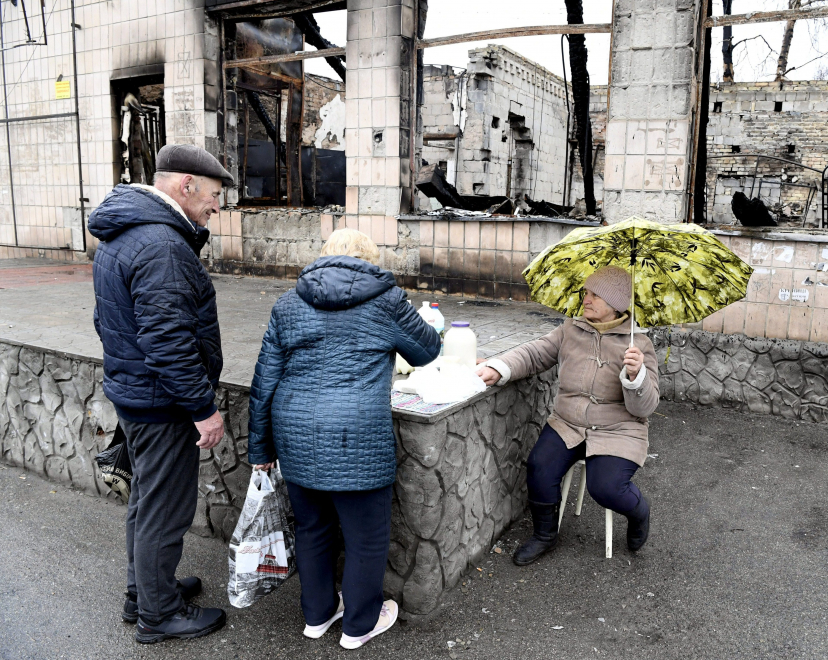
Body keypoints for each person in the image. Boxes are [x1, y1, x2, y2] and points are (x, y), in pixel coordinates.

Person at [248, 229, 441, 650]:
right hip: (355, 436)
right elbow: (427, 351)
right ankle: (358, 626)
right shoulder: (387, 300)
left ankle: (317, 617)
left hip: (294, 432)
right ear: (371, 263)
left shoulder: (288, 303)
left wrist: (260, 449)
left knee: (313, 529)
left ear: (323, 258)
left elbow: (265, 380)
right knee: (366, 539)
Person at [88, 144, 233, 644]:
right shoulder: (162, 246)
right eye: (214, 195)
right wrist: (202, 409)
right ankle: (159, 614)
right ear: (185, 185)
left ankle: (143, 591)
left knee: (146, 502)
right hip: (162, 403)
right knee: (164, 511)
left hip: (136, 393)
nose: (217, 206)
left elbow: (106, 317)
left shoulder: (124, 232)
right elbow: (169, 341)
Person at [476, 265, 660, 565]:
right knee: (540, 467)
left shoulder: (638, 345)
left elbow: (645, 408)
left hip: (619, 430)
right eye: (585, 293)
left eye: (594, 295)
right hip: (568, 423)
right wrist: (499, 366)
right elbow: (535, 353)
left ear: (615, 303)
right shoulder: (571, 329)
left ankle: (639, 510)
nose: (585, 299)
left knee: (607, 488)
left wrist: (636, 376)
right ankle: (545, 535)